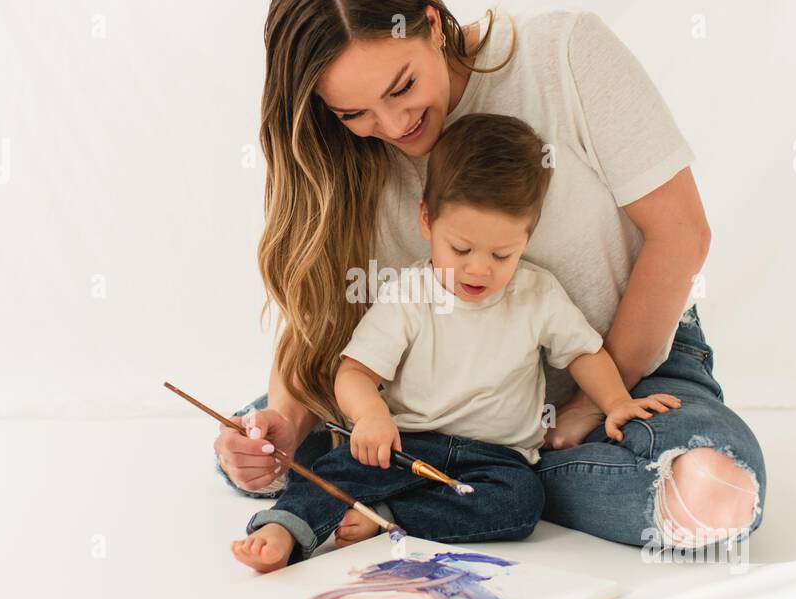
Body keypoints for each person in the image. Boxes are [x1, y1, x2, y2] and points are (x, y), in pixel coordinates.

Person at [215, 0, 765, 554]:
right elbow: (321, 319)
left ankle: (459, 482)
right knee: (262, 445)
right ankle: (492, 484)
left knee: (719, 496)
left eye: (402, 87)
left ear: (431, 22)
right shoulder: (341, 156)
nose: (395, 126)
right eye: (355, 113)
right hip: (431, 409)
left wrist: (586, 406)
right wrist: (284, 428)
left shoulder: (561, 53)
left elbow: (682, 233)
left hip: (629, 365)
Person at [231, 114, 679, 571]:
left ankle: (386, 517)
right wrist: (370, 415)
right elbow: (356, 371)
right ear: (426, 219)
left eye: (502, 254)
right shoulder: (408, 293)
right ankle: (284, 526)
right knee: (339, 469)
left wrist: (617, 400)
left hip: (496, 460)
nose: (479, 270)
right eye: (461, 250)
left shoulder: (538, 294)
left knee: (520, 504)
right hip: (405, 445)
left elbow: (584, 352)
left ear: (529, 235)